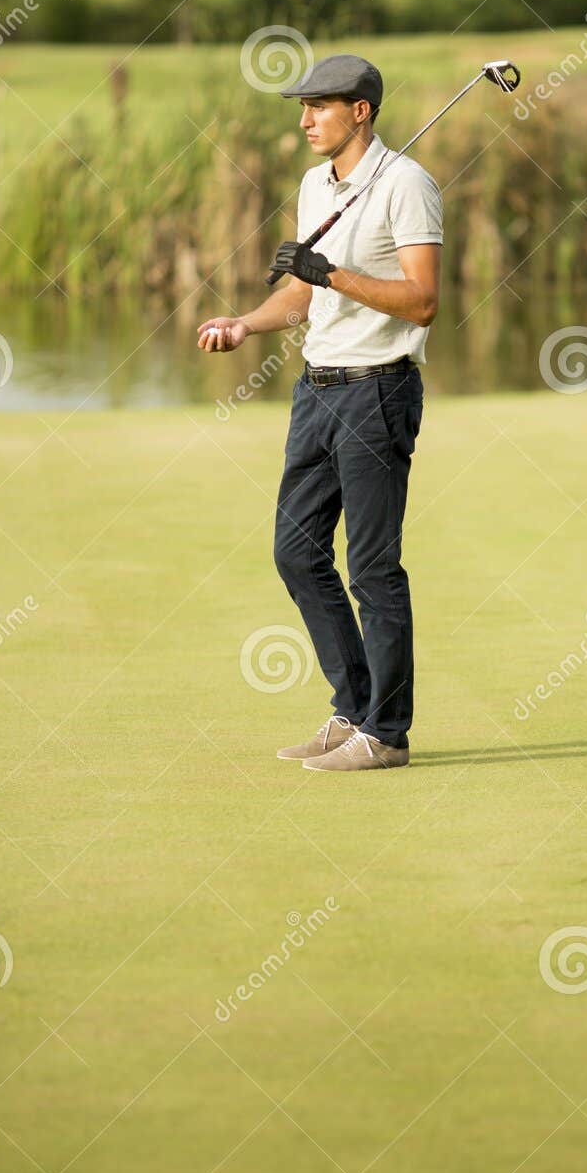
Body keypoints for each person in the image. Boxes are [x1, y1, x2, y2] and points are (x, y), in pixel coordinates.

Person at [197, 54, 442, 771]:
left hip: (377, 390)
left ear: (359, 110)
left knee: (371, 568)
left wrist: (330, 272)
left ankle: (386, 734)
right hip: (316, 389)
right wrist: (247, 322)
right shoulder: (316, 186)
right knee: (296, 552)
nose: (304, 120)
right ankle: (353, 708)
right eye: (301, 107)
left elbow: (422, 300)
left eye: (319, 106)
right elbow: (304, 296)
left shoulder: (405, 184)